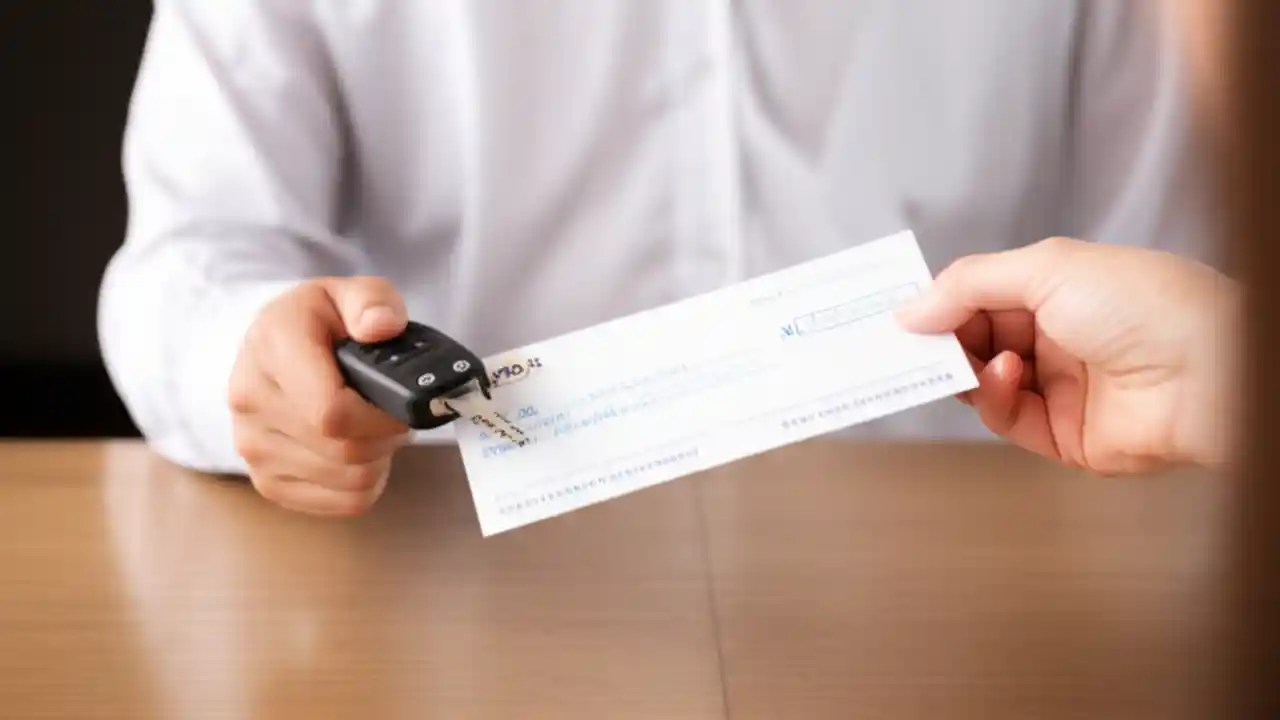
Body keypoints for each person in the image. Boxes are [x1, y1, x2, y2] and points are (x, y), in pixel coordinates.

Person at [99, 2, 1214, 516]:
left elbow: (1163, 268)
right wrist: (247, 364)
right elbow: (193, 252)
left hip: (971, 573)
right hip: (470, 577)